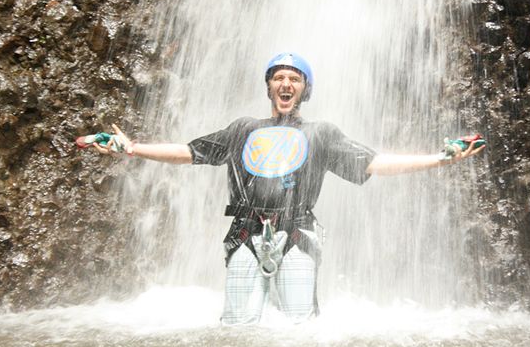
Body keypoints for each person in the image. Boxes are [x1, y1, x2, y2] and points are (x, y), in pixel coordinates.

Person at [92, 52, 484, 325]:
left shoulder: (321, 134)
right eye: (278, 77)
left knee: (300, 330)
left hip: (297, 234)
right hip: (245, 233)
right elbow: (190, 153)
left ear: (304, 90)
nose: (285, 83)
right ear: (268, 87)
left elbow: (374, 163)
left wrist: (439, 159)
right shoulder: (243, 129)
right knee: (237, 327)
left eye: (294, 79)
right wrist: (132, 149)